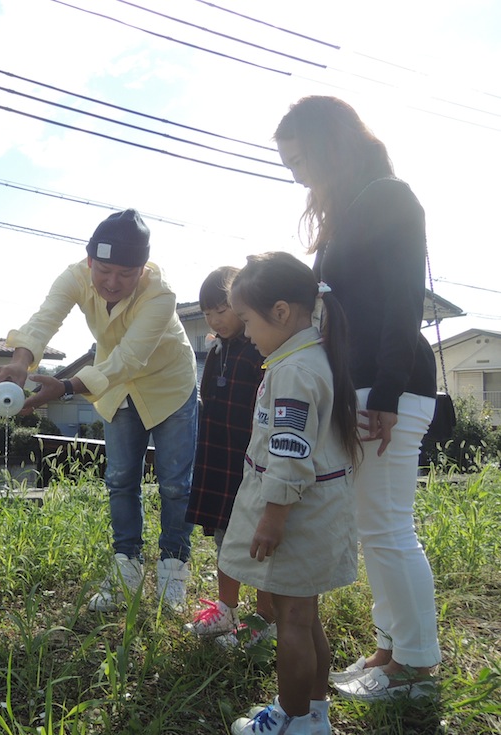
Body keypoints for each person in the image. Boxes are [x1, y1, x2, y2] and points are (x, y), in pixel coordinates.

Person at [275, 96, 440, 701]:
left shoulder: (391, 198)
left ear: (328, 146)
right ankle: (389, 652)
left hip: (389, 386)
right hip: (365, 385)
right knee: (377, 528)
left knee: (391, 528)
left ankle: (418, 666)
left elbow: (403, 303)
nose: (296, 174)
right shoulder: (353, 209)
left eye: (299, 160)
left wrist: (388, 395)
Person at [0, 209, 198, 613]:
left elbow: (129, 360)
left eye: (125, 273)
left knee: (175, 485)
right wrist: (19, 362)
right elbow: (44, 320)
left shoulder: (160, 293)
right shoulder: (74, 277)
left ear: (142, 269)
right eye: (103, 270)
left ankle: (173, 569)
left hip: (168, 386)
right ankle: (125, 567)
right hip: (115, 389)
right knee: (119, 478)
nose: (112, 283)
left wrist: (65, 387)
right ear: (89, 262)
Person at [220, 252, 360, 735]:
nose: (245, 331)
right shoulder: (305, 358)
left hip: (296, 514)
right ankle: (313, 717)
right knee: (306, 615)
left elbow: (289, 452)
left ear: (281, 313)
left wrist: (272, 518)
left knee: (292, 621)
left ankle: (290, 718)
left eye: (246, 320)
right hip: (316, 507)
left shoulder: (294, 372)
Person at [184, 266, 275, 649]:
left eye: (222, 309)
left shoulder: (261, 349)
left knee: (260, 545)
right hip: (218, 456)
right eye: (207, 313)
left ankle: (264, 621)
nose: (215, 319)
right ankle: (227, 609)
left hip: (251, 459)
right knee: (226, 538)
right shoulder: (216, 348)